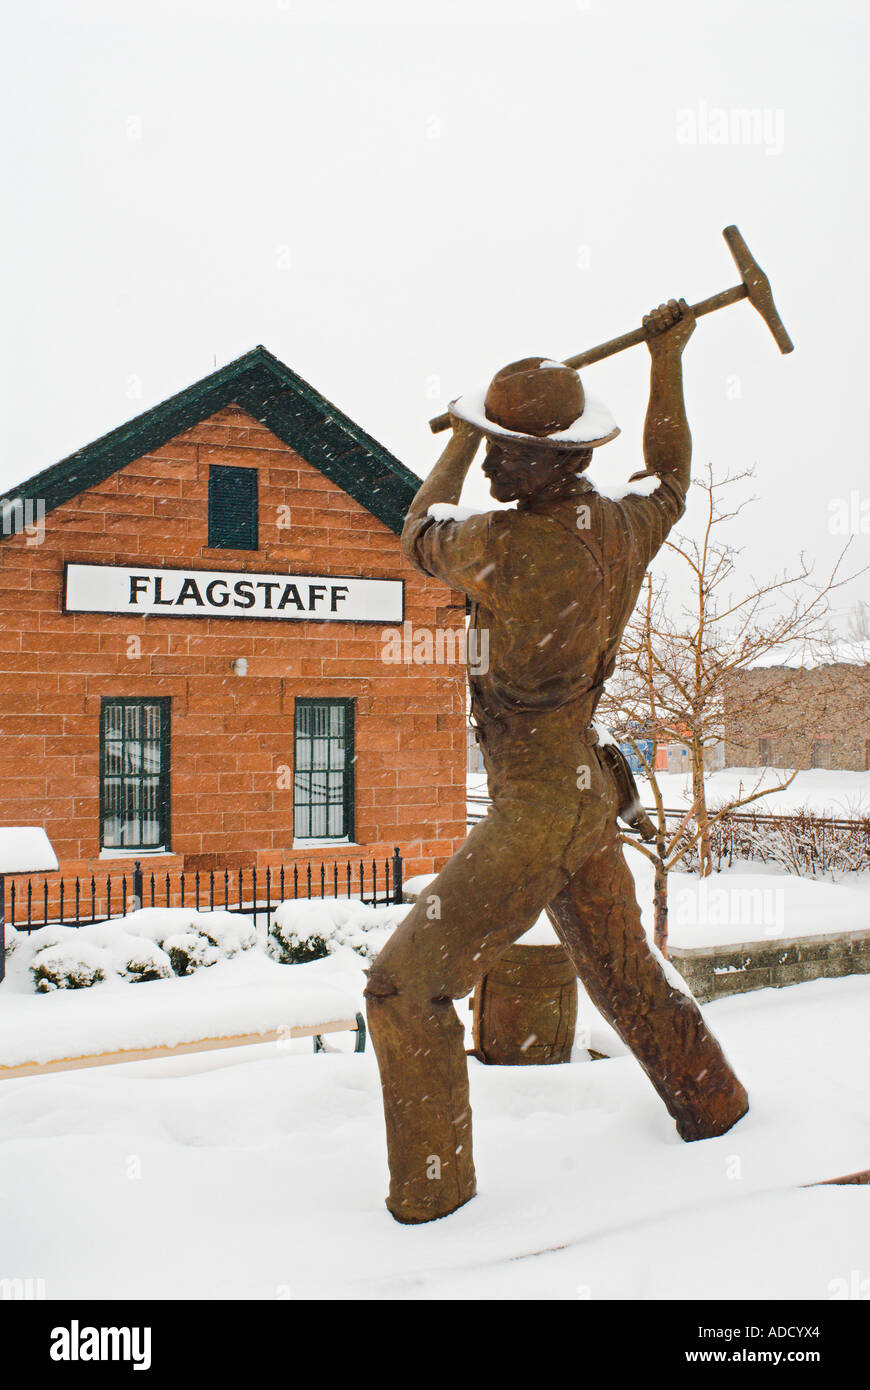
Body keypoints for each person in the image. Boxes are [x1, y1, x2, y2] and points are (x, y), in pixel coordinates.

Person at [364, 299, 749, 1225]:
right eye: (489, 444)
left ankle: (430, 1200)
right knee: (623, 974)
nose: (495, 462)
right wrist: (670, 359)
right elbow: (670, 471)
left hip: (541, 806)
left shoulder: (505, 545)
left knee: (405, 987)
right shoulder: (621, 527)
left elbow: (418, 527)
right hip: (586, 789)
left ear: (556, 458)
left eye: (507, 448)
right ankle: (717, 1105)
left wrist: (454, 436)